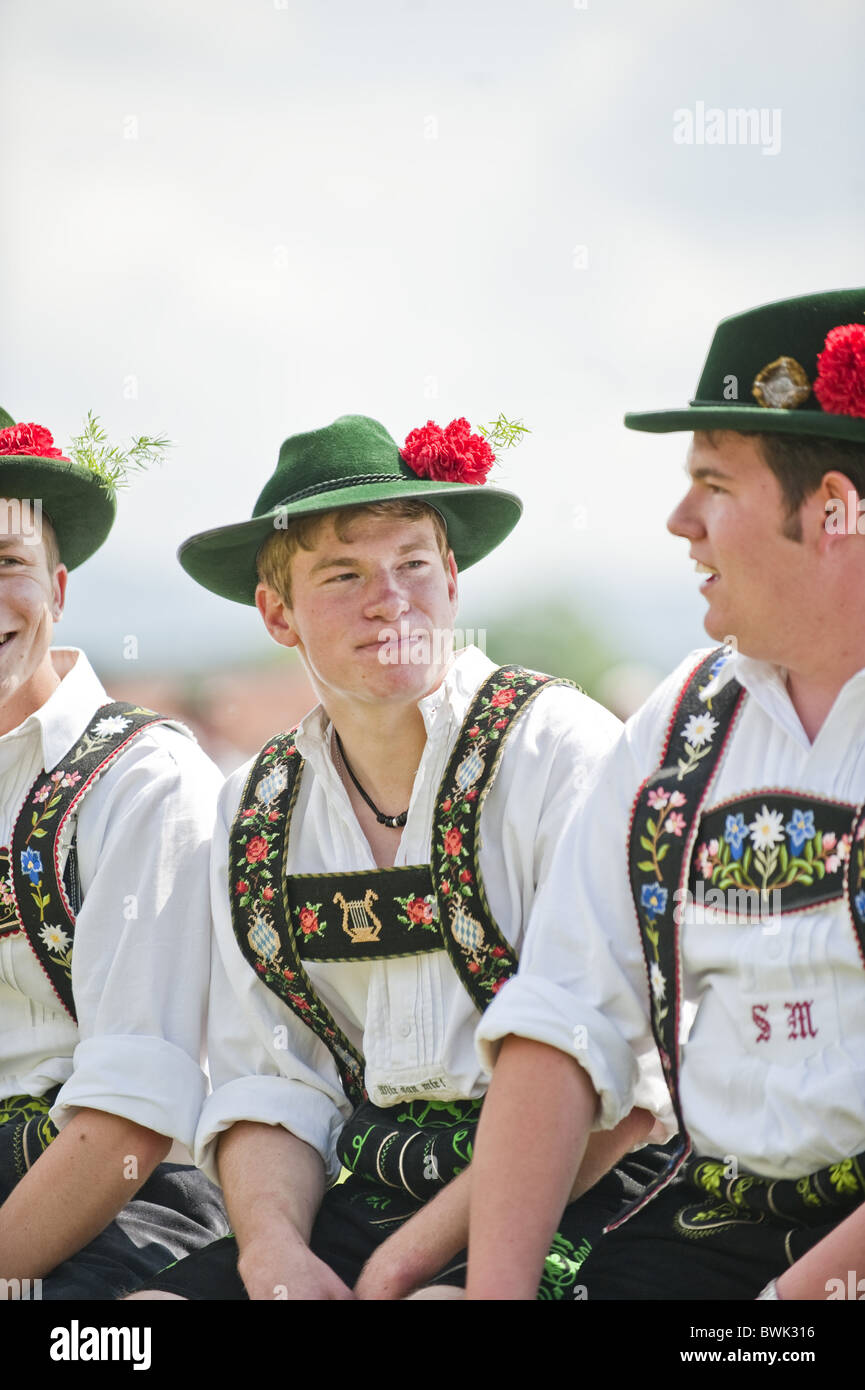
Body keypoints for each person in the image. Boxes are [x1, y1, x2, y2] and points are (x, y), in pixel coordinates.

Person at [127, 411, 668, 1301]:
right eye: (343, 574)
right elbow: (272, 1083)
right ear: (277, 613)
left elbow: (622, 1088)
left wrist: (407, 1266)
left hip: (574, 1190)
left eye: (413, 563)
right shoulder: (252, 810)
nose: (390, 598)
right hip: (369, 1197)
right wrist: (273, 1259)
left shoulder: (556, 751)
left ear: (452, 581)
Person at [465, 286, 865, 1300]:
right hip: (711, 1224)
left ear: (828, 509)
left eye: (712, 483)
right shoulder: (683, 720)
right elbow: (559, 1018)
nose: (678, 520)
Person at [0, 407, 227, 1299]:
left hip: (114, 1207)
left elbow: (131, 1118)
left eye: (6, 564)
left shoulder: (146, 781)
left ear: (58, 586)